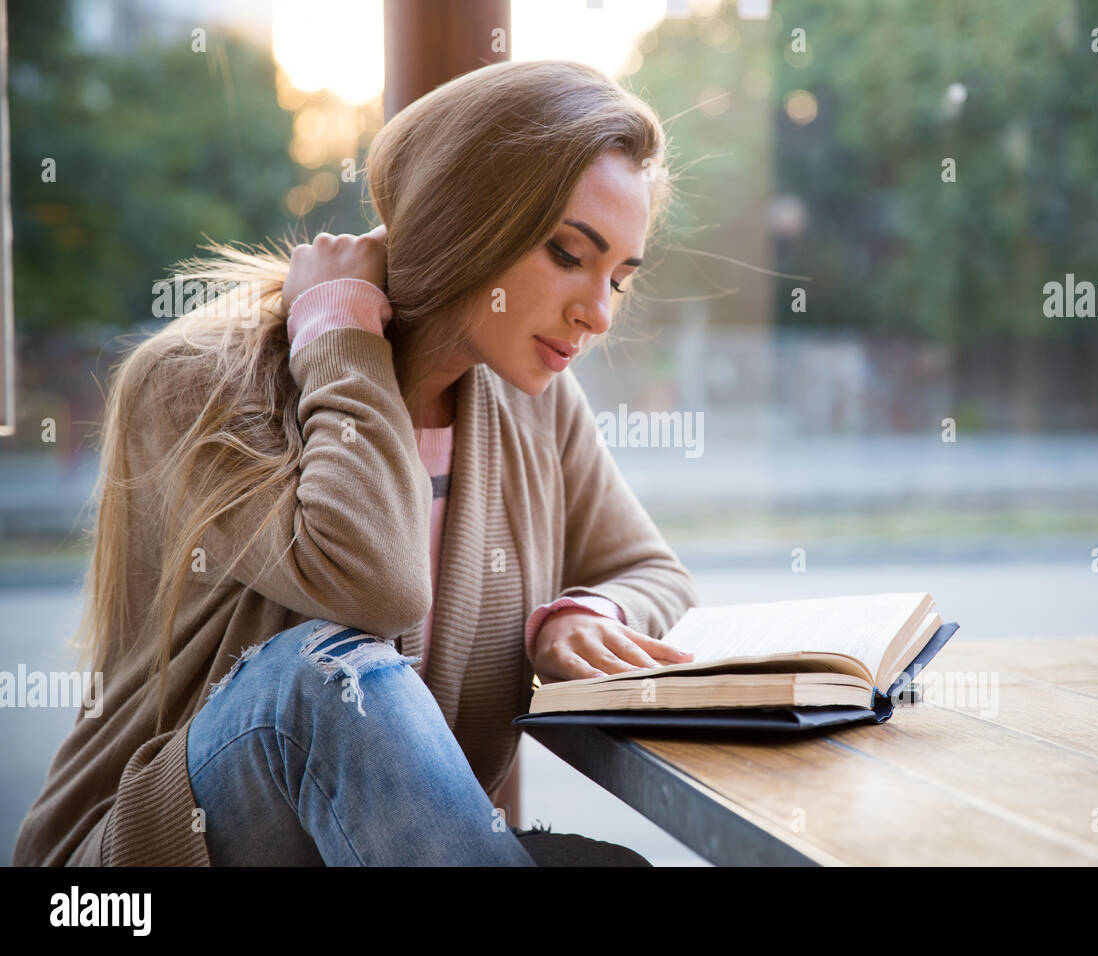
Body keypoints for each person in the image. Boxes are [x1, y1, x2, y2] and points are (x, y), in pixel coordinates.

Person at [13, 59, 700, 866]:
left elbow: (656, 575)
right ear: (468, 217)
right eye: (568, 254)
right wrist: (340, 336)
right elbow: (376, 587)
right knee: (325, 681)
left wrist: (586, 614)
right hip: (142, 861)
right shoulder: (201, 383)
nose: (599, 312)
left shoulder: (534, 402)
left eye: (620, 276)